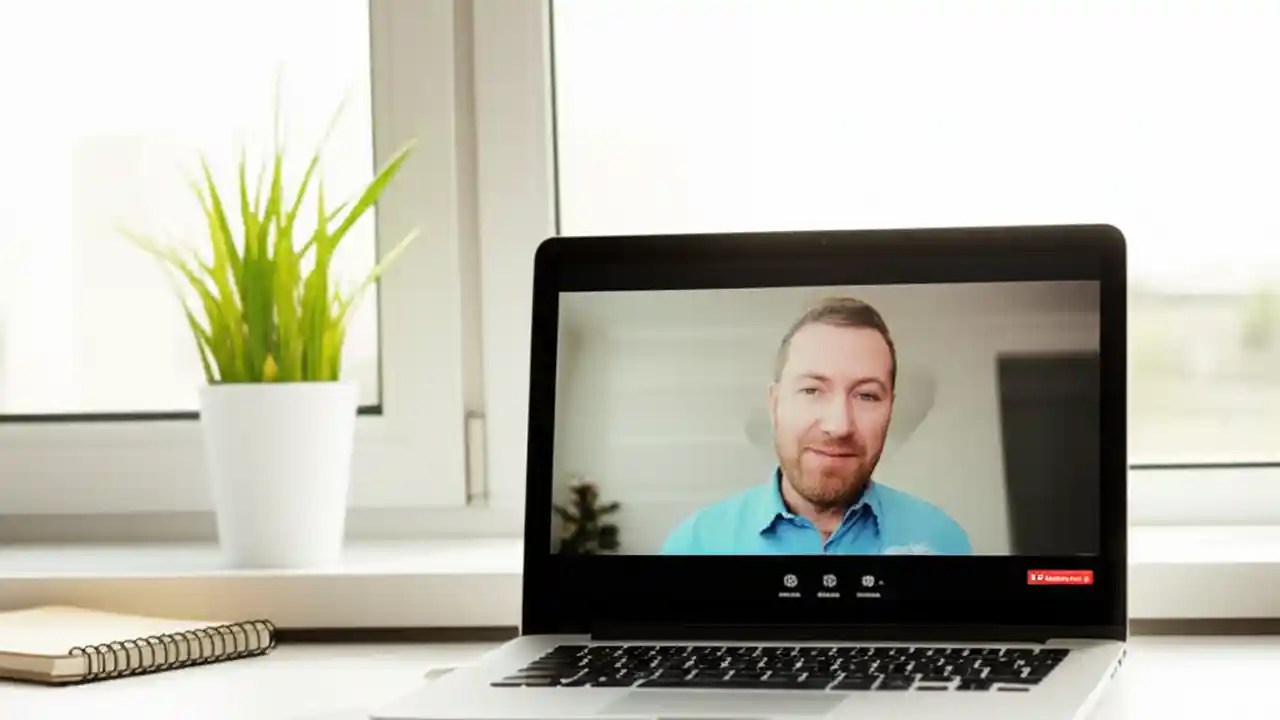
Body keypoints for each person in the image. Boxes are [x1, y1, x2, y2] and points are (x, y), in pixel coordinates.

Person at [661, 297, 971, 555]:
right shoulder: (694, 545)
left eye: (866, 395)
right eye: (812, 390)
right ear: (774, 403)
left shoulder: (944, 541)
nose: (839, 427)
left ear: (890, 408)